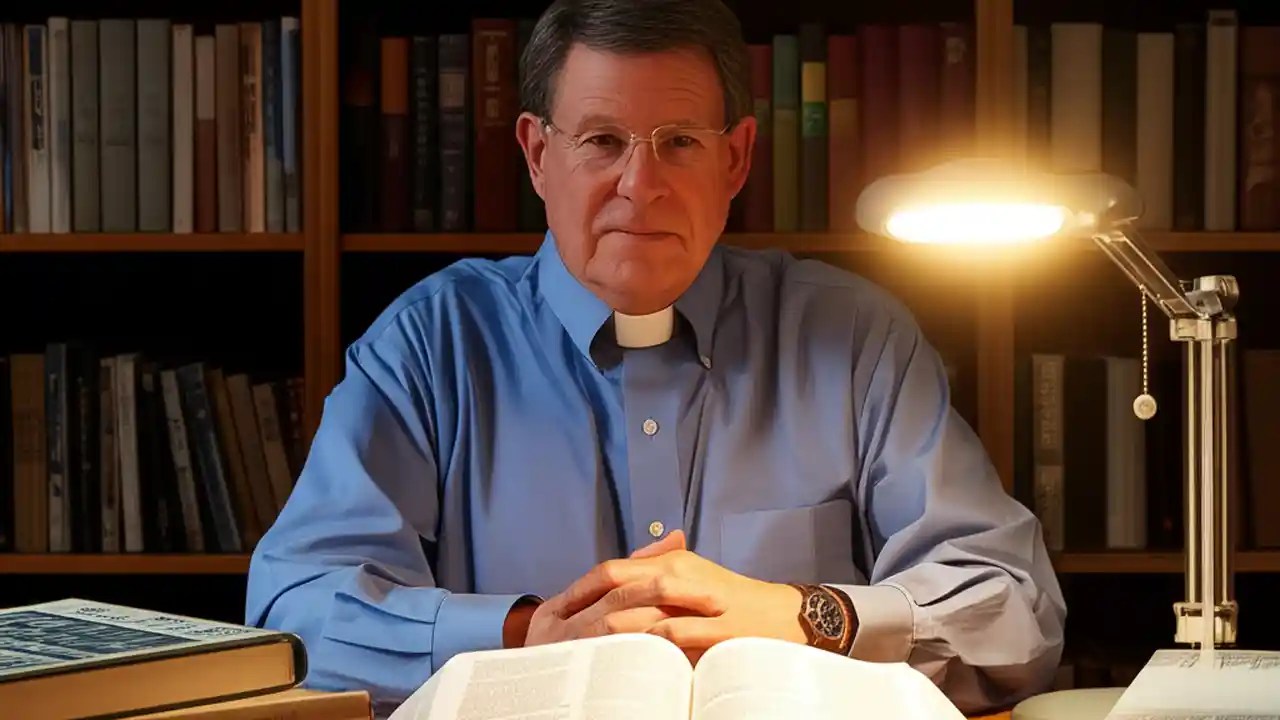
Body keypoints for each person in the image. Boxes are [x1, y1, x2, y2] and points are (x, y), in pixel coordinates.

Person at [244, 0, 1066, 715]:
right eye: (603, 140)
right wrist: (530, 630)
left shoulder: (854, 338)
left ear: (735, 159)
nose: (641, 184)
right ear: (537, 155)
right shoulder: (429, 345)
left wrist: (807, 615)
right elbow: (293, 613)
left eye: (678, 142)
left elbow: (1017, 609)